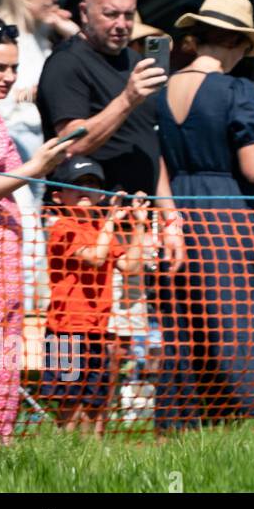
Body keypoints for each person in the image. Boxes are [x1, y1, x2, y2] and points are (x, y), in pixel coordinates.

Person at [154, 0, 254, 428]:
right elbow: (252, 168)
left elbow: (154, 160)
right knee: (240, 316)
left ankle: (178, 421)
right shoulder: (237, 90)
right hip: (224, 212)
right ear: (236, 43)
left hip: (176, 208)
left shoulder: (162, 87)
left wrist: (168, 218)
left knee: (183, 321)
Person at [35, 0, 186, 270]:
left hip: (136, 227)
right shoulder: (66, 64)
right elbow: (71, 144)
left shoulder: (134, 62)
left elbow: (148, 145)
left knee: (136, 317)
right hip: (89, 235)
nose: (121, 25)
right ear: (84, 12)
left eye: (128, 15)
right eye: (110, 14)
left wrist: (170, 218)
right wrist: (128, 99)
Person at [0, 14, 70, 443]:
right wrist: (37, 167)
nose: (9, 77)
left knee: (3, 351)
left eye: (14, 68)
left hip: (2, 265)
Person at [39, 157, 154, 436]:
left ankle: (92, 459)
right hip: (65, 332)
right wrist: (112, 222)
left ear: (101, 195)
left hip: (99, 331)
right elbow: (95, 257)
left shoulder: (100, 229)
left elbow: (131, 266)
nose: (85, 190)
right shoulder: (61, 227)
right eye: (77, 184)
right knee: (69, 404)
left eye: (92, 184)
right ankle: (63, 458)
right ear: (58, 195)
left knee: (95, 403)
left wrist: (139, 225)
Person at [0, 0, 80, 312]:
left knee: (33, 250)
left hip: (39, 173)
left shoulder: (42, 37)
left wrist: (70, 33)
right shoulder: (2, 34)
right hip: (8, 171)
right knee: (23, 250)